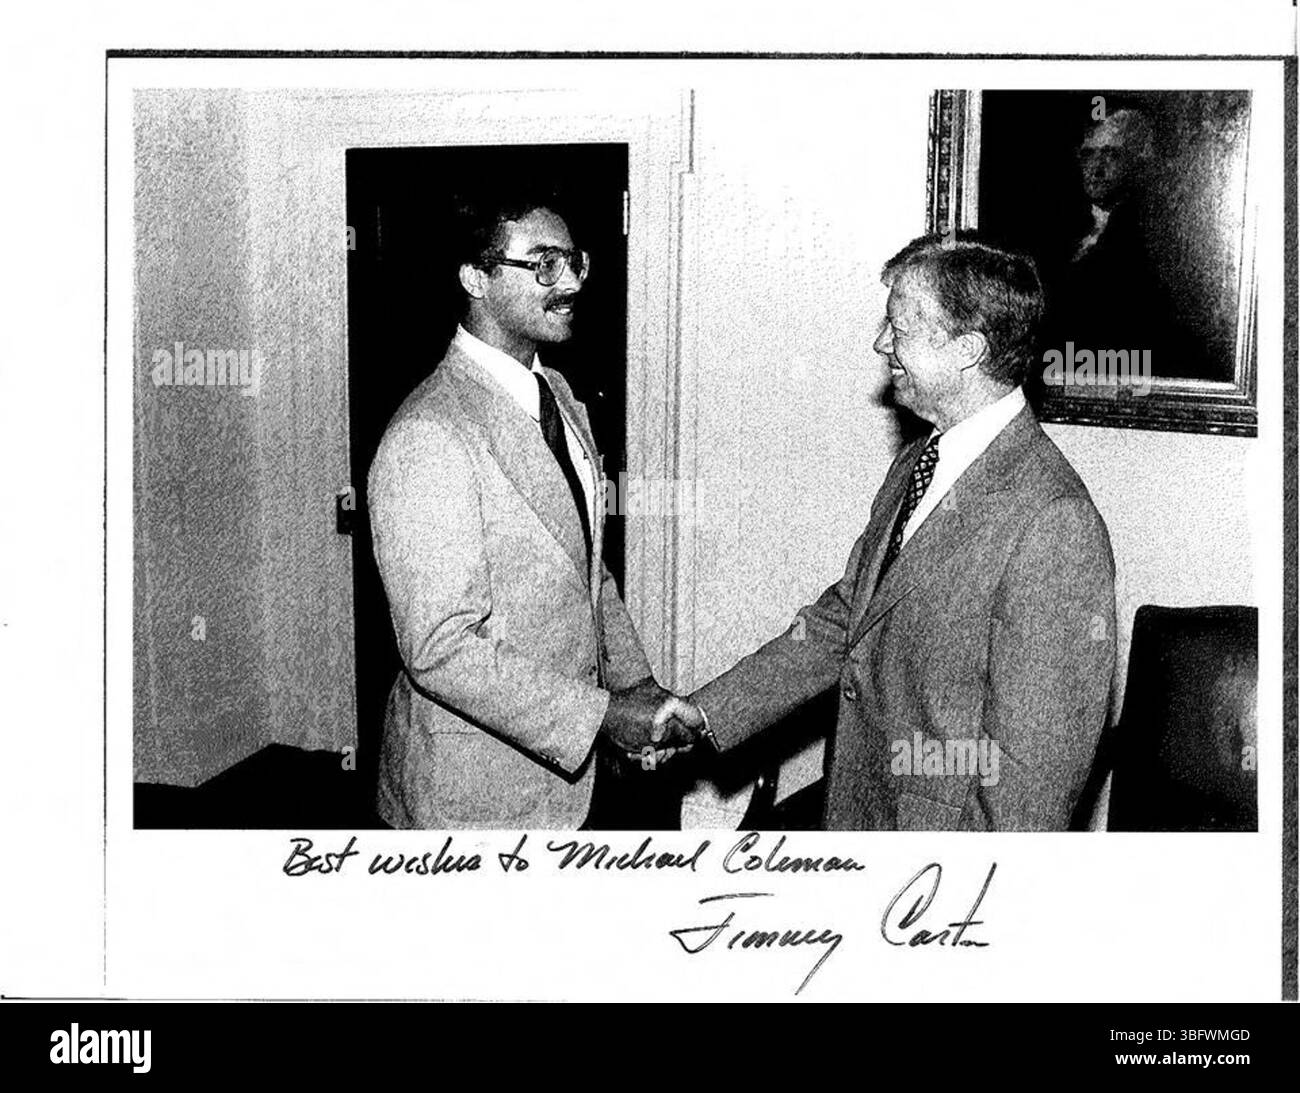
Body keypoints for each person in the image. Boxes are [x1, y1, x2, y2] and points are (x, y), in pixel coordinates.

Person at [686, 235, 1117, 831]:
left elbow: (1030, 788)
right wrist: (703, 714)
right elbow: (849, 619)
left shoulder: (1053, 523)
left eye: (900, 329)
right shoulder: (919, 461)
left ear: (967, 349)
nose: (880, 343)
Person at [368, 191, 696, 829]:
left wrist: (634, 689)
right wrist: (599, 716)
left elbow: (588, 575)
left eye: (574, 261)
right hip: (472, 801)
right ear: (475, 279)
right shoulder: (430, 432)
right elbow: (439, 648)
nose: (570, 281)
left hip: (567, 789)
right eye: (544, 264)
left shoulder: (563, 398)